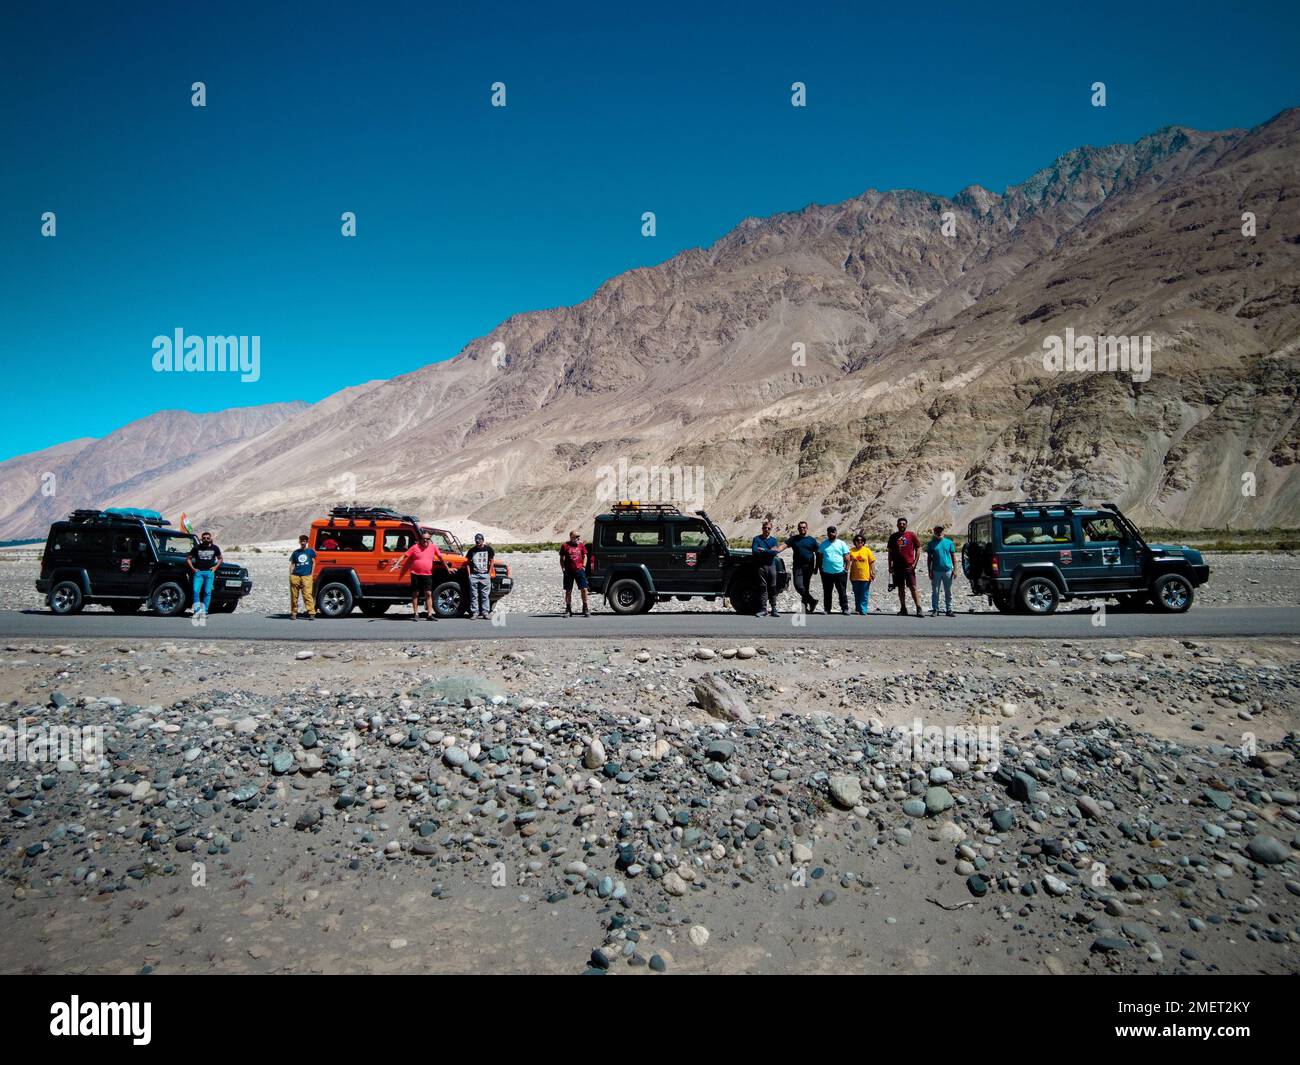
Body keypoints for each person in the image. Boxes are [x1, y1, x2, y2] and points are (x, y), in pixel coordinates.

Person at [399, 530, 443, 620]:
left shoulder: (433, 547)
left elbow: (440, 557)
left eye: (427, 539)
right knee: (415, 593)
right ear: (420, 539)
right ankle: (416, 614)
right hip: (415, 573)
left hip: (427, 574)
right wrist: (397, 563)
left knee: (428, 593)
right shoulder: (415, 547)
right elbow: (404, 555)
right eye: (424, 539)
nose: (425, 540)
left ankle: (430, 614)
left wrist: (448, 568)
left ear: (430, 540)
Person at [750, 519, 790, 617]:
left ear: (770, 529)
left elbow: (775, 552)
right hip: (761, 567)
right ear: (762, 528)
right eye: (765, 528)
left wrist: (763, 550)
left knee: (773, 588)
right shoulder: (757, 539)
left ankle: (774, 609)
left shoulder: (773, 540)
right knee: (763, 588)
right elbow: (755, 551)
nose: (766, 530)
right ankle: (763, 609)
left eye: (768, 528)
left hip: (771, 566)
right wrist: (769, 551)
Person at [887, 517, 924, 616]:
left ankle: (918, 607)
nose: (902, 525)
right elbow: (890, 552)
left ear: (906, 525)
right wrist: (889, 565)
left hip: (908, 566)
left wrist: (915, 563)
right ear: (897, 525)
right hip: (897, 567)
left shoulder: (911, 535)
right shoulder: (893, 537)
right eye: (900, 523)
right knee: (900, 587)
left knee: (912, 587)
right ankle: (903, 608)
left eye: (903, 524)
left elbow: (918, 548)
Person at [785, 520, 820, 613]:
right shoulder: (794, 539)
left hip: (809, 567)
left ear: (807, 528)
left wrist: (816, 567)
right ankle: (812, 601)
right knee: (798, 586)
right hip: (797, 567)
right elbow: (783, 545)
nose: (802, 529)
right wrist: (775, 550)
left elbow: (818, 554)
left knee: (805, 587)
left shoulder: (812, 540)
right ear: (798, 529)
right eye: (800, 527)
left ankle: (805, 609)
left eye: (804, 527)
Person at [186, 530, 223, 615]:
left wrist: (215, 568)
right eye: (204, 538)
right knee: (196, 591)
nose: (206, 539)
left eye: (208, 538)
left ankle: (205, 611)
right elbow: (188, 558)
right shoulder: (196, 548)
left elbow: (220, 558)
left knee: (207, 592)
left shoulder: (215, 548)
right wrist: (193, 569)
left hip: (209, 573)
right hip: (198, 573)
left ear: (210, 539)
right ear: (201, 539)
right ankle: (197, 611)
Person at [818, 526, 851, 614]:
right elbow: (819, 557)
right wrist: (820, 569)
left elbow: (847, 557)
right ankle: (827, 609)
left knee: (842, 591)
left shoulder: (841, 543)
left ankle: (845, 609)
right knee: (827, 592)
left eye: (833, 532)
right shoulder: (823, 544)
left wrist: (846, 570)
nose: (831, 533)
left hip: (840, 572)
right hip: (826, 573)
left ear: (836, 533)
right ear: (827, 533)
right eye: (829, 532)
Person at [926, 524, 957, 617]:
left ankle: (949, 609)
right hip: (936, 570)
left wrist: (955, 569)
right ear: (934, 532)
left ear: (943, 532)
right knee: (935, 591)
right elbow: (929, 558)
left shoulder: (949, 543)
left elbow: (953, 557)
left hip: (947, 570)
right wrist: (929, 570)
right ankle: (935, 609)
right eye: (937, 531)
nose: (939, 533)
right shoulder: (931, 544)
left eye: (940, 531)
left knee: (948, 591)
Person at [559, 530, 590, 617]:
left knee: (584, 589)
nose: (578, 538)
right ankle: (568, 609)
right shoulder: (565, 545)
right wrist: (563, 568)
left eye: (578, 536)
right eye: (576, 536)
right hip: (569, 571)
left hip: (579, 570)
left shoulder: (581, 545)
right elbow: (561, 558)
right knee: (568, 590)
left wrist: (583, 566)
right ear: (571, 537)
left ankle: (585, 607)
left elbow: (585, 556)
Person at [465, 533, 494, 619]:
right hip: (474, 575)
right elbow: (467, 562)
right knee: (474, 595)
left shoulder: (489, 549)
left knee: (485, 595)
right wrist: (469, 574)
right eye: (476, 541)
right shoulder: (471, 550)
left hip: (485, 575)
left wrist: (489, 573)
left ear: (483, 540)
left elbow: (492, 561)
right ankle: (475, 612)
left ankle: (485, 612)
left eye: (479, 540)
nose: (478, 542)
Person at [288, 534, 317, 619]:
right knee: (294, 596)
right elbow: (292, 564)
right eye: (301, 541)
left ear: (306, 542)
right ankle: (294, 613)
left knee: (307, 595)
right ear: (299, 542)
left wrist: (311, 574)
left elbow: (314, 563)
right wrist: (291, 575)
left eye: (304, 541)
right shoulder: (296, 552)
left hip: (306, 576)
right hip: (295, 576)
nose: (303, 542)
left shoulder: (310, 551)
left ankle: (311, 612)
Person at [848, 532, 877, 615]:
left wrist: (873, 572)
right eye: (857, 540)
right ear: (855, 542)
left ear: (864, 542)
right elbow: (847, 561)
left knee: (864, 593)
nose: (859, 542)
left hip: (865, 576)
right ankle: (858, 609)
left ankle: (864, 610)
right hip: (854, 576)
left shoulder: (867, 550)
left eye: (861, 541)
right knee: (856, 593)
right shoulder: (851, 551)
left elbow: (872, 562)